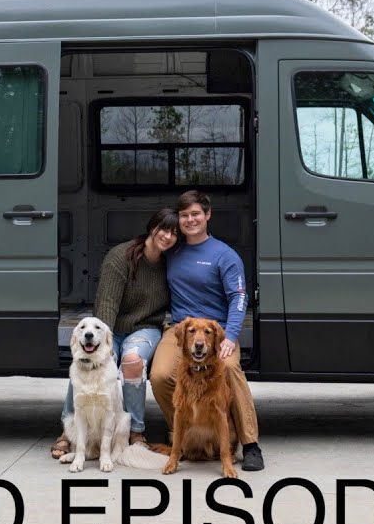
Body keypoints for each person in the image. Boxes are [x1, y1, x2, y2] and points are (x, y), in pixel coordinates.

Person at [149, 189, 265, 472]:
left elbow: (239, 297)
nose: (190, 220)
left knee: (229, 369)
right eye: (185, 215)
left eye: (196, 214)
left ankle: (250, 444)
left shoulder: (225, 255)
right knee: (161, 375)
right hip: (181, 330)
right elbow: (148, 251)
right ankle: (188, 437)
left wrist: (232, 335)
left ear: (207, 215)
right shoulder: (172, 249)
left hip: (217, 331)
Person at [50, 208, 180, 459]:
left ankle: (136, 432)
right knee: (86, 361)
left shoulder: (171, 263)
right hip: (109, 329)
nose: (167, 236)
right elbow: (106, 304)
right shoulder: (121, 256)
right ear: (151, 227)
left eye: (174, 233)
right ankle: (69, 431)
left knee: (132, 360)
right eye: (163, 228)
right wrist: (102, 346)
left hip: (145, 328)